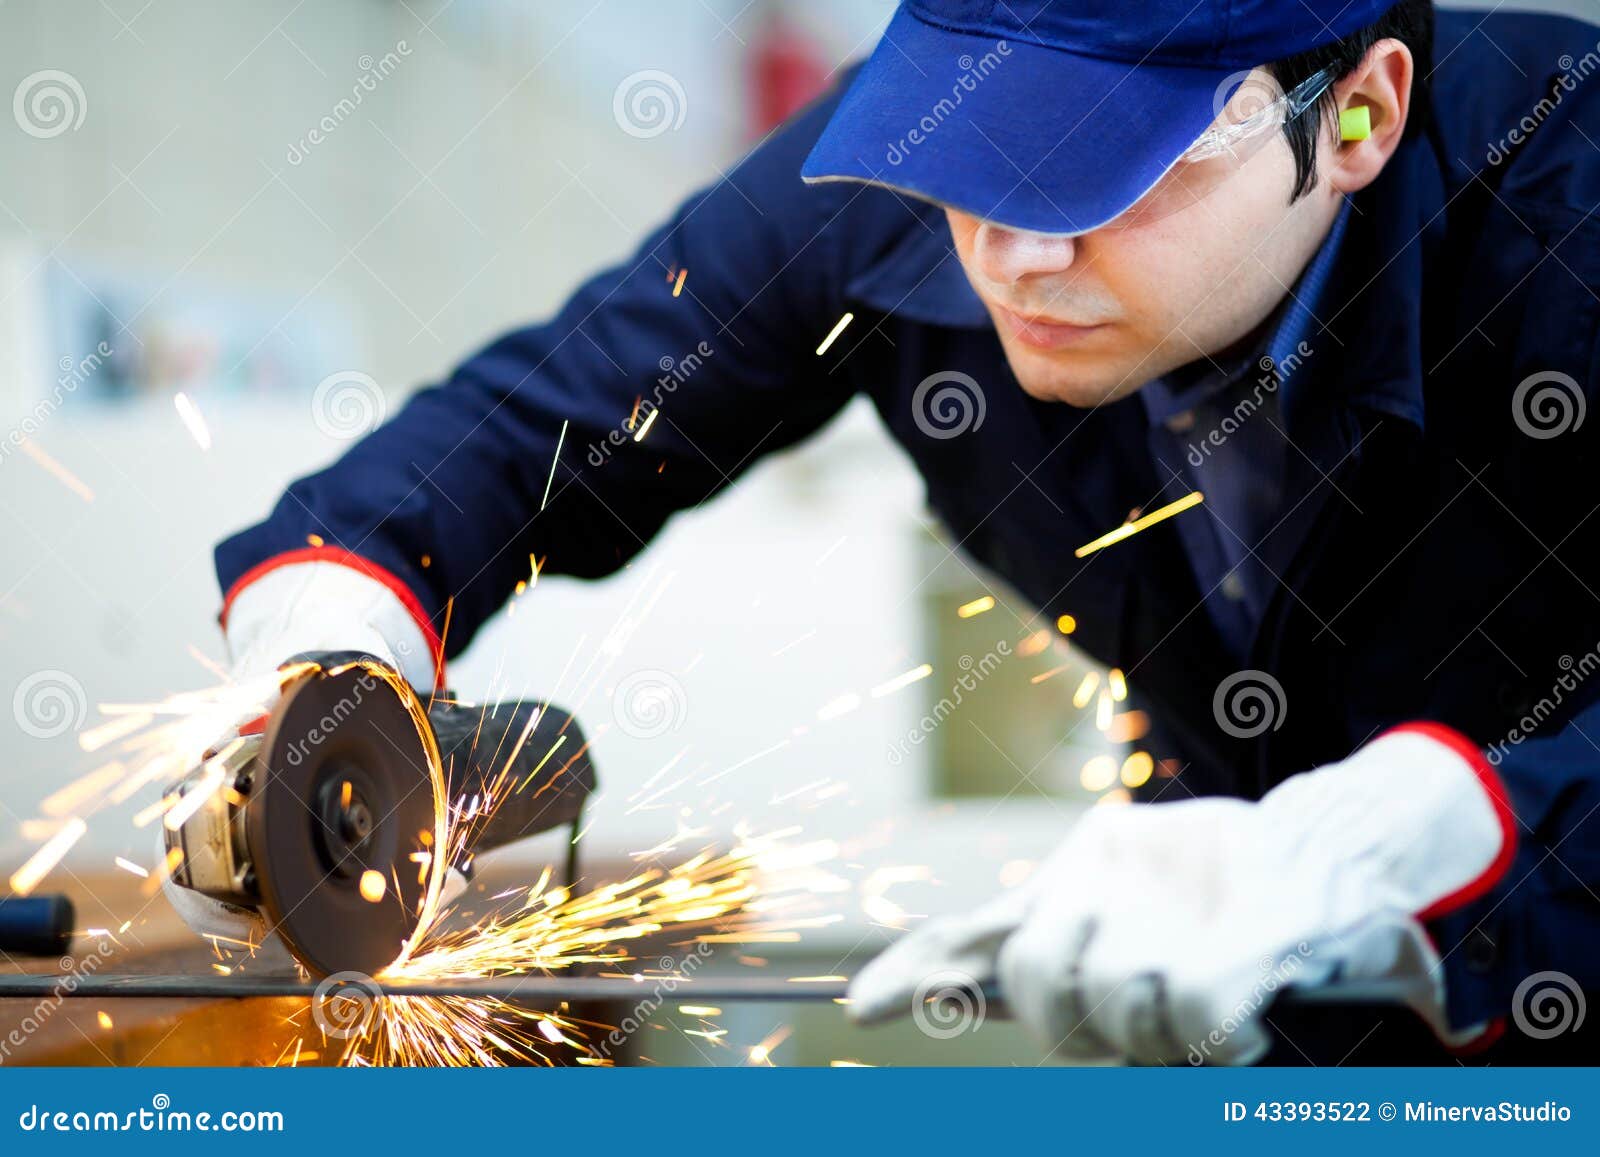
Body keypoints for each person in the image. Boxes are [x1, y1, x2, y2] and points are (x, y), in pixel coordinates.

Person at [213, 0, 1600, 1063]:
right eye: (975, 158)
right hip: (1222, 1010)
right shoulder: (884, 200)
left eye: (1097, 173)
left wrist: (1416, 833)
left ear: (1355, 118)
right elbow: (514, 442)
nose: (1010, 257)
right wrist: (325, 680)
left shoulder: (1571, 203)